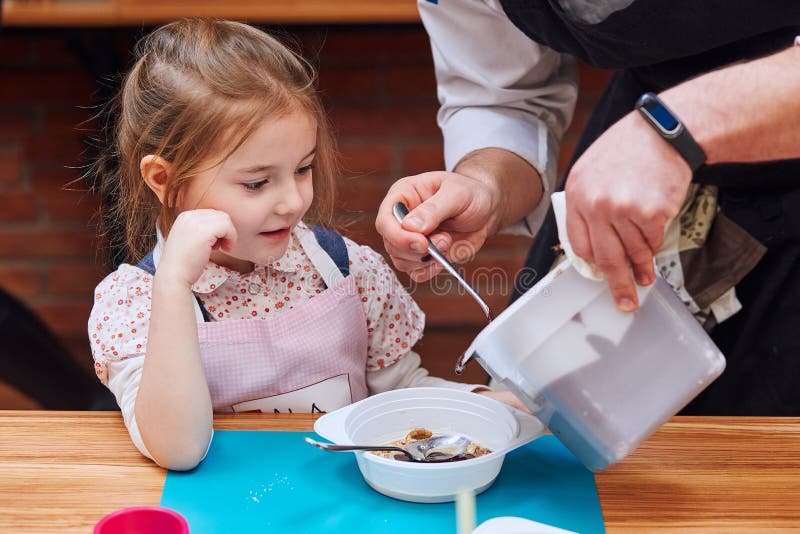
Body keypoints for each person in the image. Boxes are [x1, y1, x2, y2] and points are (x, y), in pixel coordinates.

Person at [86, 19, 524, 471]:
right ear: (167, 181)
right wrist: (175, 287)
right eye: (257, 183)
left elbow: (399, 391)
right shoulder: (135, 304)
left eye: (303, 169)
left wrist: (491, 404)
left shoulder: (346, 270)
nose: (294, 202)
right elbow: (177, 450)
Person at [376, 1, 800, 415]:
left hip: (721, 136)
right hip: (644, 146)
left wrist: (671, 131)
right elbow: (507, 98)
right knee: (557, 427)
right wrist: (483, 184)